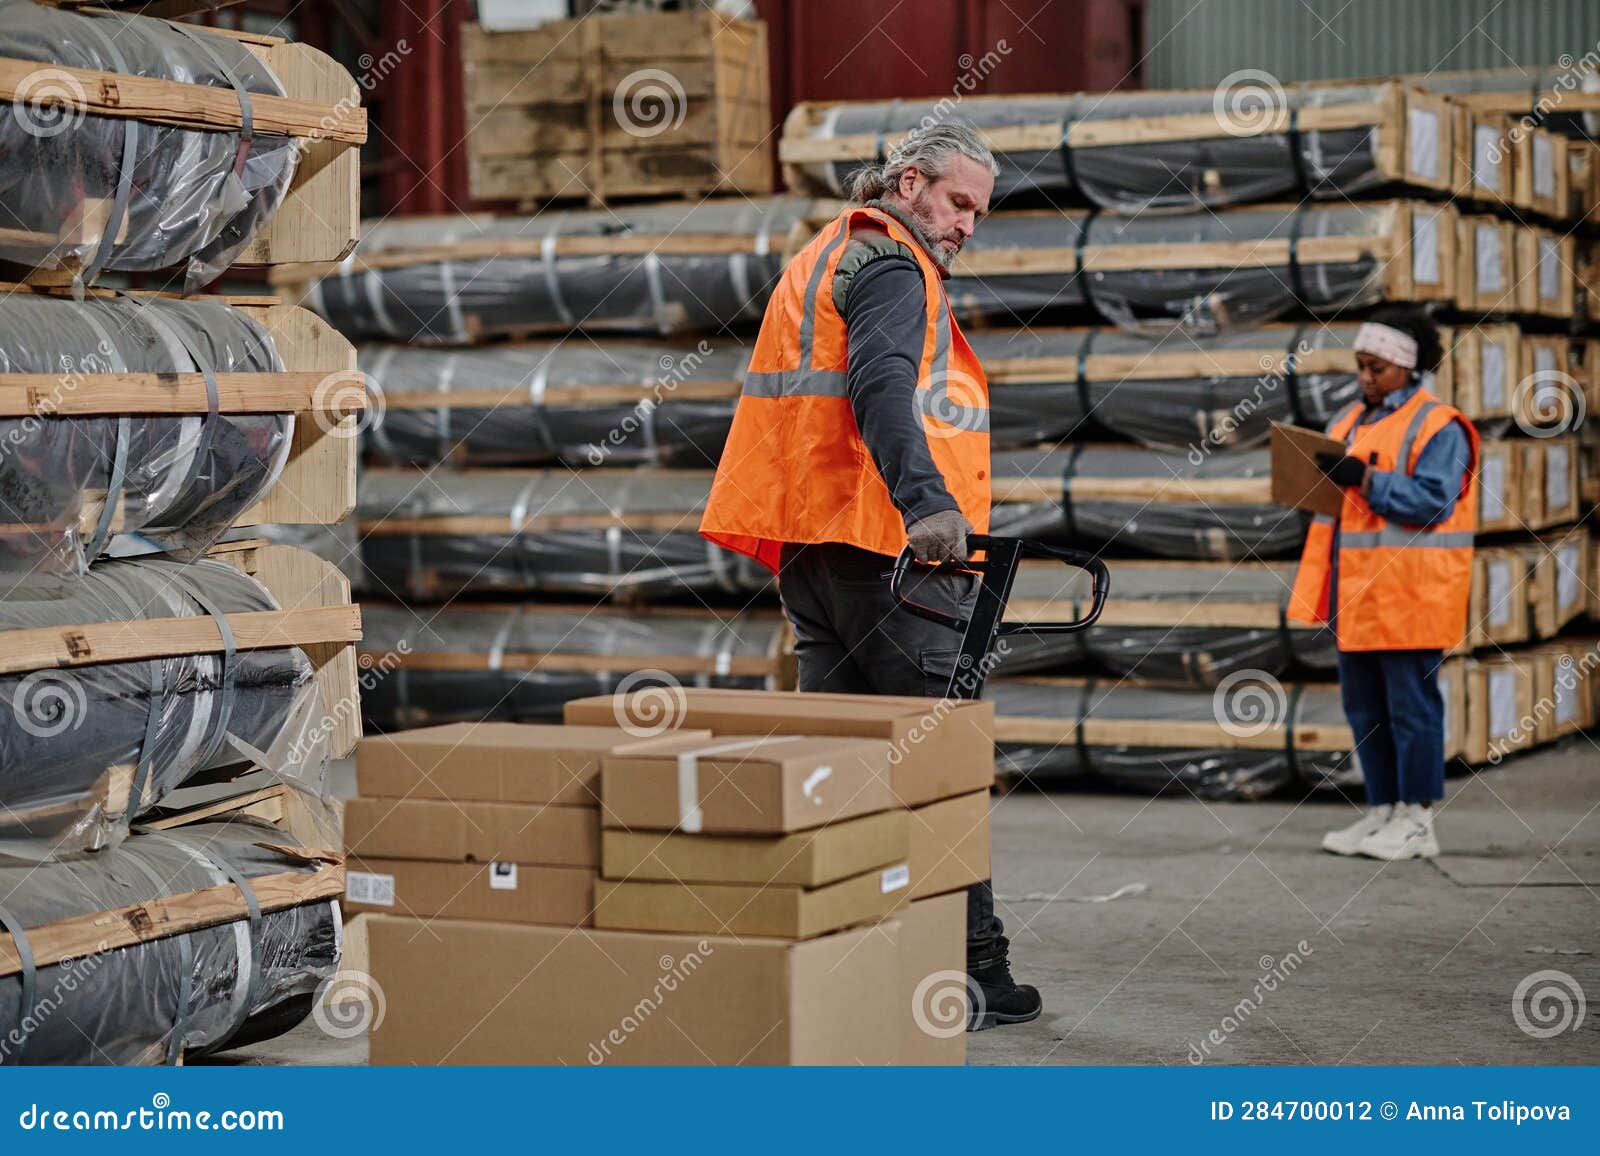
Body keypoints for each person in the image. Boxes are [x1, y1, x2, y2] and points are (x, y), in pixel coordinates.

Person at [699, 122, 1041, 1030]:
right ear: (908, 182)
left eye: (979, 213)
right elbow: (881, 386)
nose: (966, 226)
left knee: (839, 767)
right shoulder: (893, 267)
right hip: (894, 557)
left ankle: (842, 959)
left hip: (816, 552)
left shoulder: (823, 255)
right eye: (958, 203)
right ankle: (971, 970)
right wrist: (928, 504)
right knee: (938, 764)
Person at [1288, 306, 1478, 860]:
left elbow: (1434, 501)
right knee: (1365, 709)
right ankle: (1383, 810)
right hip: (1357, 595)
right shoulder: (1347, 422)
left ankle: (1417, 820)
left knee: (1412, 710)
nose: (1366, 377)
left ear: (1409, 368)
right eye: (1361, 366)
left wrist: (1367, 479)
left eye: (1378, 368)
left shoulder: (1438, 424)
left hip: (1412, 595)